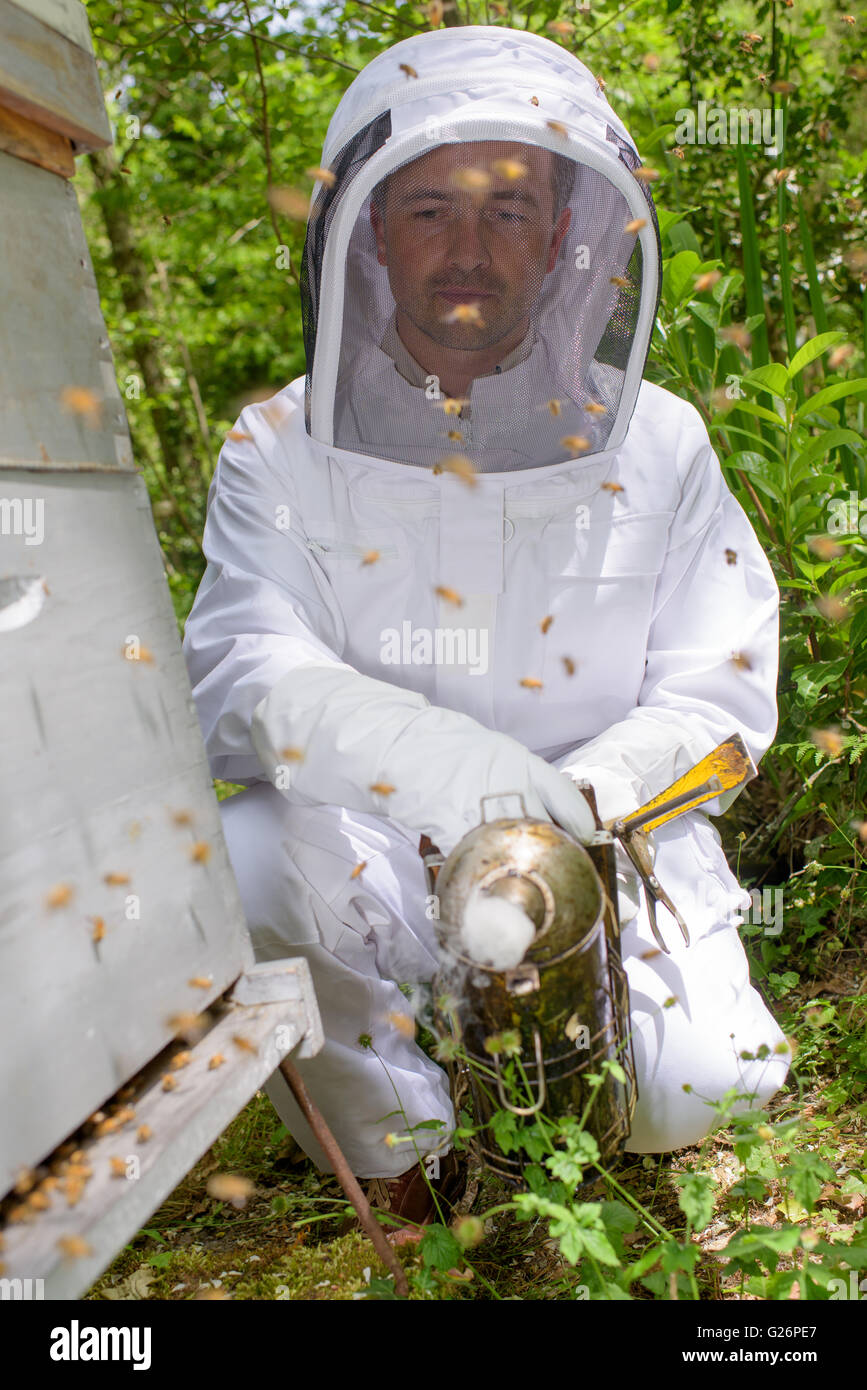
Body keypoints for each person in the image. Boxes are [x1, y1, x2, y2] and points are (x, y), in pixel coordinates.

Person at [182, 25, 791, 1229]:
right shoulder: (276, 447)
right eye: (428, 211)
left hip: (607, 856)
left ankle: (590, 1058)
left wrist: (571, 812)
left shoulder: (657, 441)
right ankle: (397, 1142)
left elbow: (721, 690)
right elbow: (246, 673)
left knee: (702, 1097)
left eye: (510, 212)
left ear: (568, 233)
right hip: (373, 879)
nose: (468, 251)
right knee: (245, 843)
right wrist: (451, 775)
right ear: (367, 231)